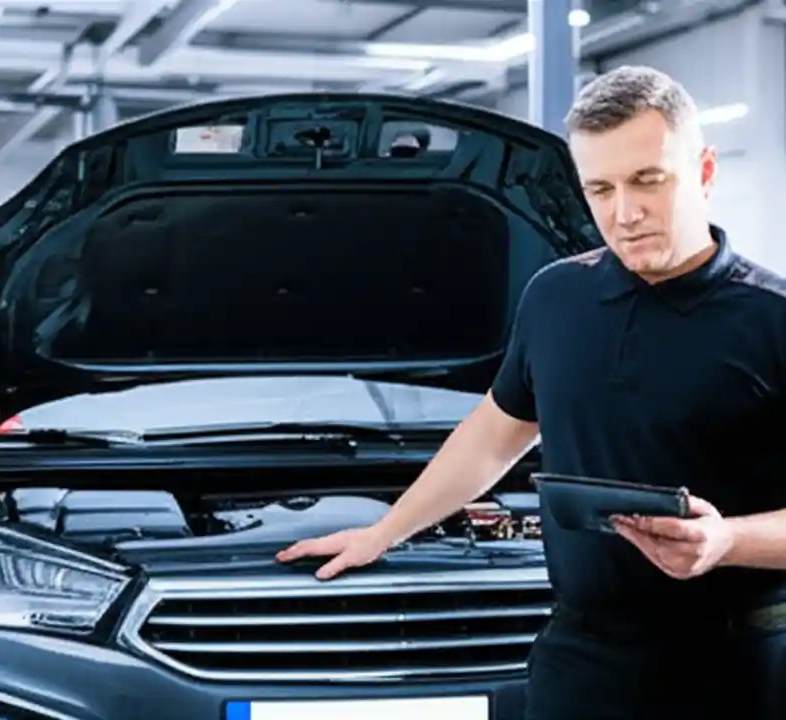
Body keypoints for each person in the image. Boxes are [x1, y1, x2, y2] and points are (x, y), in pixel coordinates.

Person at [276, 65, 786, 719]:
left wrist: (729, 542)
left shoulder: (770, 320)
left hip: (736, 672)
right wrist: (385, 531)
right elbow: (493, 435)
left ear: (706, 171)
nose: (623, 214)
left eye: (648, 182)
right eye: (599, 189)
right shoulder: (556, 296)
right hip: (579, 659)